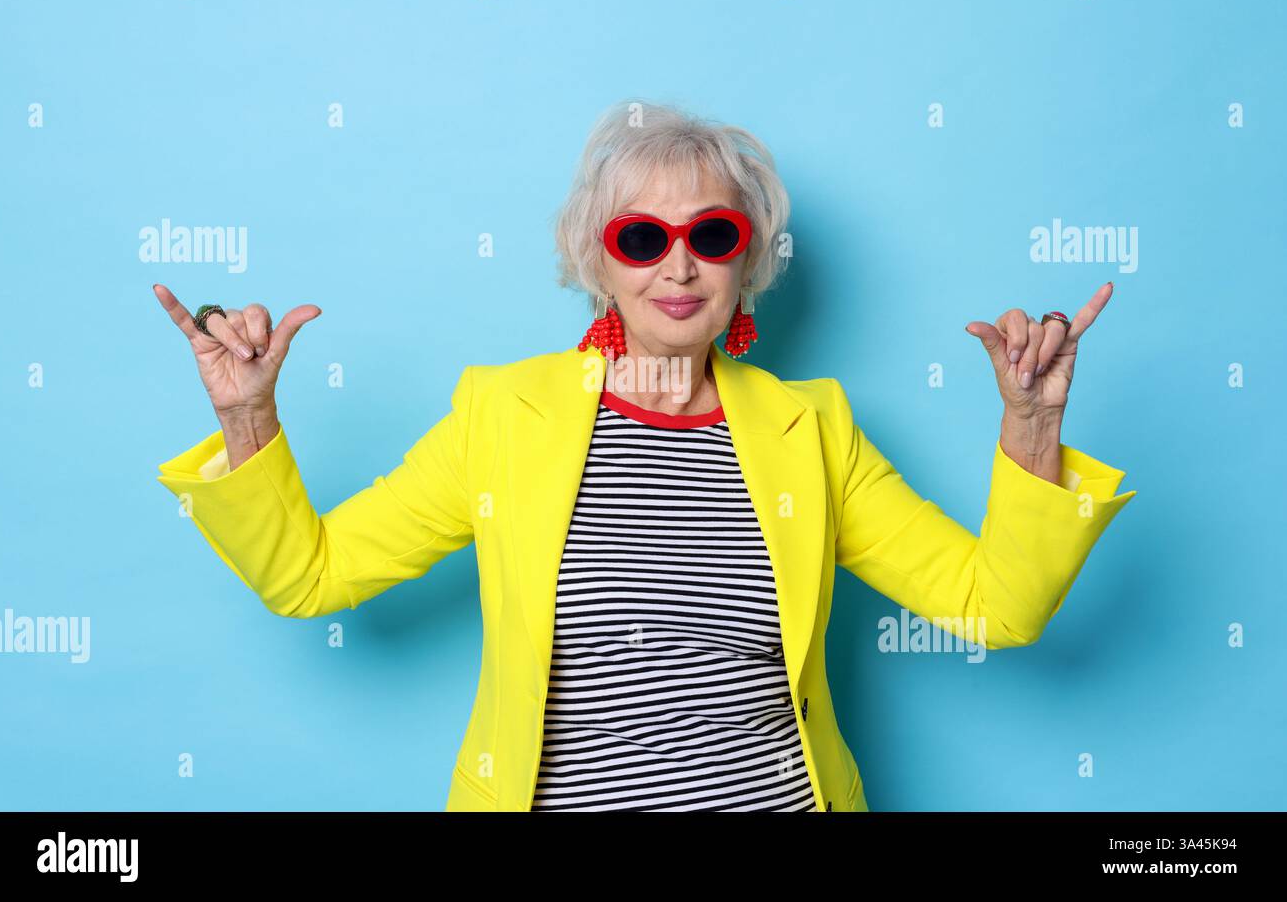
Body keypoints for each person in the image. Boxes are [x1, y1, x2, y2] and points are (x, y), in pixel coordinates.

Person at [153, 100, 1136, 811]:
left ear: (747, 263)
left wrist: (1031, 425)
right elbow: (310, 576)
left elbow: (992, 607)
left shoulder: (814, 429)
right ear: (595, 258)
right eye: (639, 236)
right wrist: (247, 419)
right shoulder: (503, 415)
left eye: (711, 234)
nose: (676, 263)